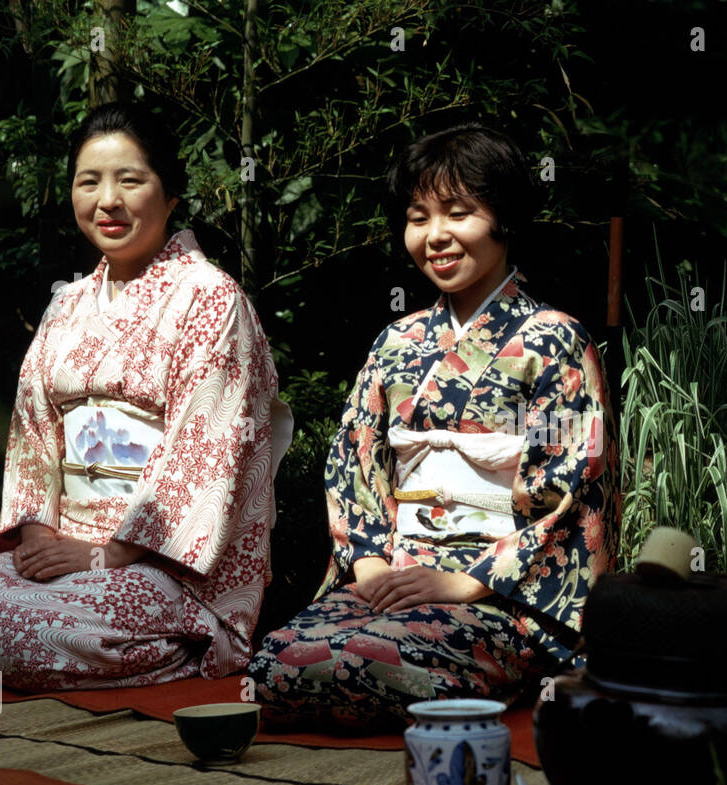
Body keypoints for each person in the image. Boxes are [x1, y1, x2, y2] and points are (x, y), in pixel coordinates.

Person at [248, 123, 619, 730]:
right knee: (277, 664)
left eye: (458, 212)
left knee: (380, 660)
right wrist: (370, 569)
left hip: (498, 594)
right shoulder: (397, 341)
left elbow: (571, 489)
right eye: (418, 218)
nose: (436, 236)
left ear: (504, 217)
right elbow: (354, 464)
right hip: (394, 576)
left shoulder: (553, 341)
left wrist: (464, 582)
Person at [0, 103, 292, 688]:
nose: (106, 200)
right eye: (89, 182)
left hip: (166, 564)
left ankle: (182, 640)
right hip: (66, 551)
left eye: (130, 180)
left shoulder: (211, 299)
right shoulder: (68, 303)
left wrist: (110, 555)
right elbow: (35, 433)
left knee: (61, 631)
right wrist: (39, 536)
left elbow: (206, 450)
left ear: (170, 195)